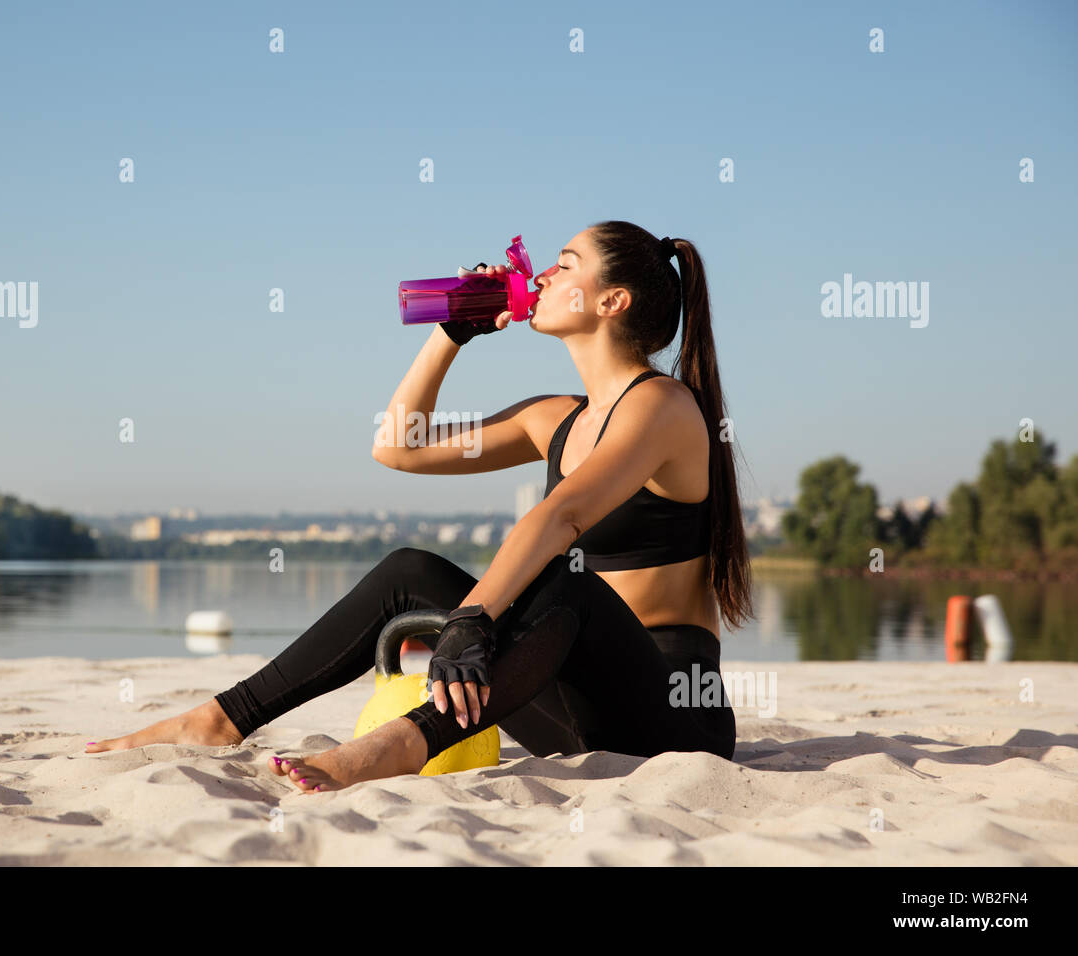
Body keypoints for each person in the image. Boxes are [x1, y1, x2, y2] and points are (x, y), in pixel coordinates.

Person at [85, 220, 754, 794]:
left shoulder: (664, 407)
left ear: (612, 300)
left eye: (565, 263)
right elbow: (397, 447)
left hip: (669, 718)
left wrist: (472, 620)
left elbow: (561, 518)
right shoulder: (552, 417)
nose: (543, 274)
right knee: (409, 569)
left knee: (564, 570)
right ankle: (223, 718)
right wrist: (451, 334)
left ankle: (405, 744)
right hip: (562, 707)